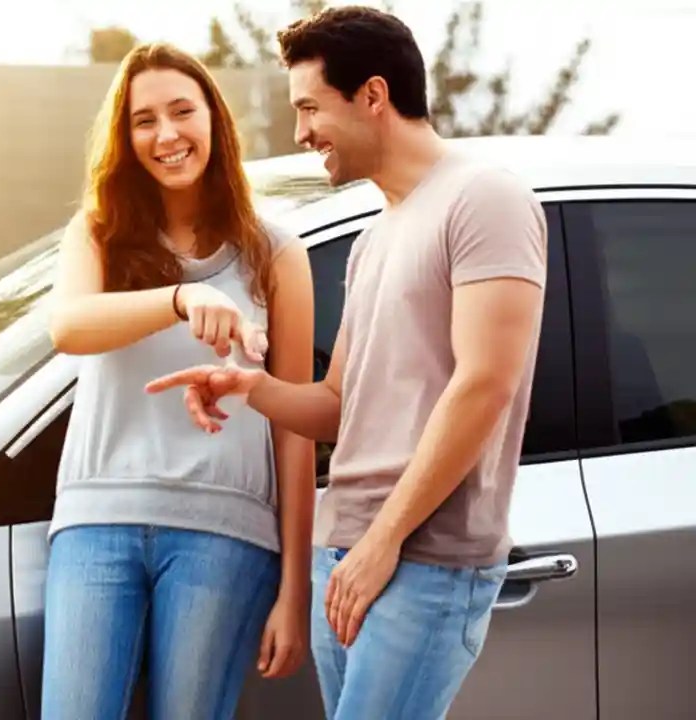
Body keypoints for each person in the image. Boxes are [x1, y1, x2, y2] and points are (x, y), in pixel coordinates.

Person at [145, 7, 548, 720]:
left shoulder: (485, 199)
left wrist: (383, 542)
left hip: (423, 558)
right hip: (349, 551)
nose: (301, 133)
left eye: (309, 107)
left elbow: (485, 384)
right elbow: (338, 404)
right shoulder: (375, 238)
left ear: (372, 95)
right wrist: (250, 387)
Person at [42, 42, 317, 719]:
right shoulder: (98, 233)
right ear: (124, 137)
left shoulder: (276, 255)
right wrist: (180, 300)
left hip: (223, 536)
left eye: (181, 112)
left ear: (213, 123)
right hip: (96, 524)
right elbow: (69, 327)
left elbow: (296, 429)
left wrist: (295, 593)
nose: (165, 134)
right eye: (143, 120)